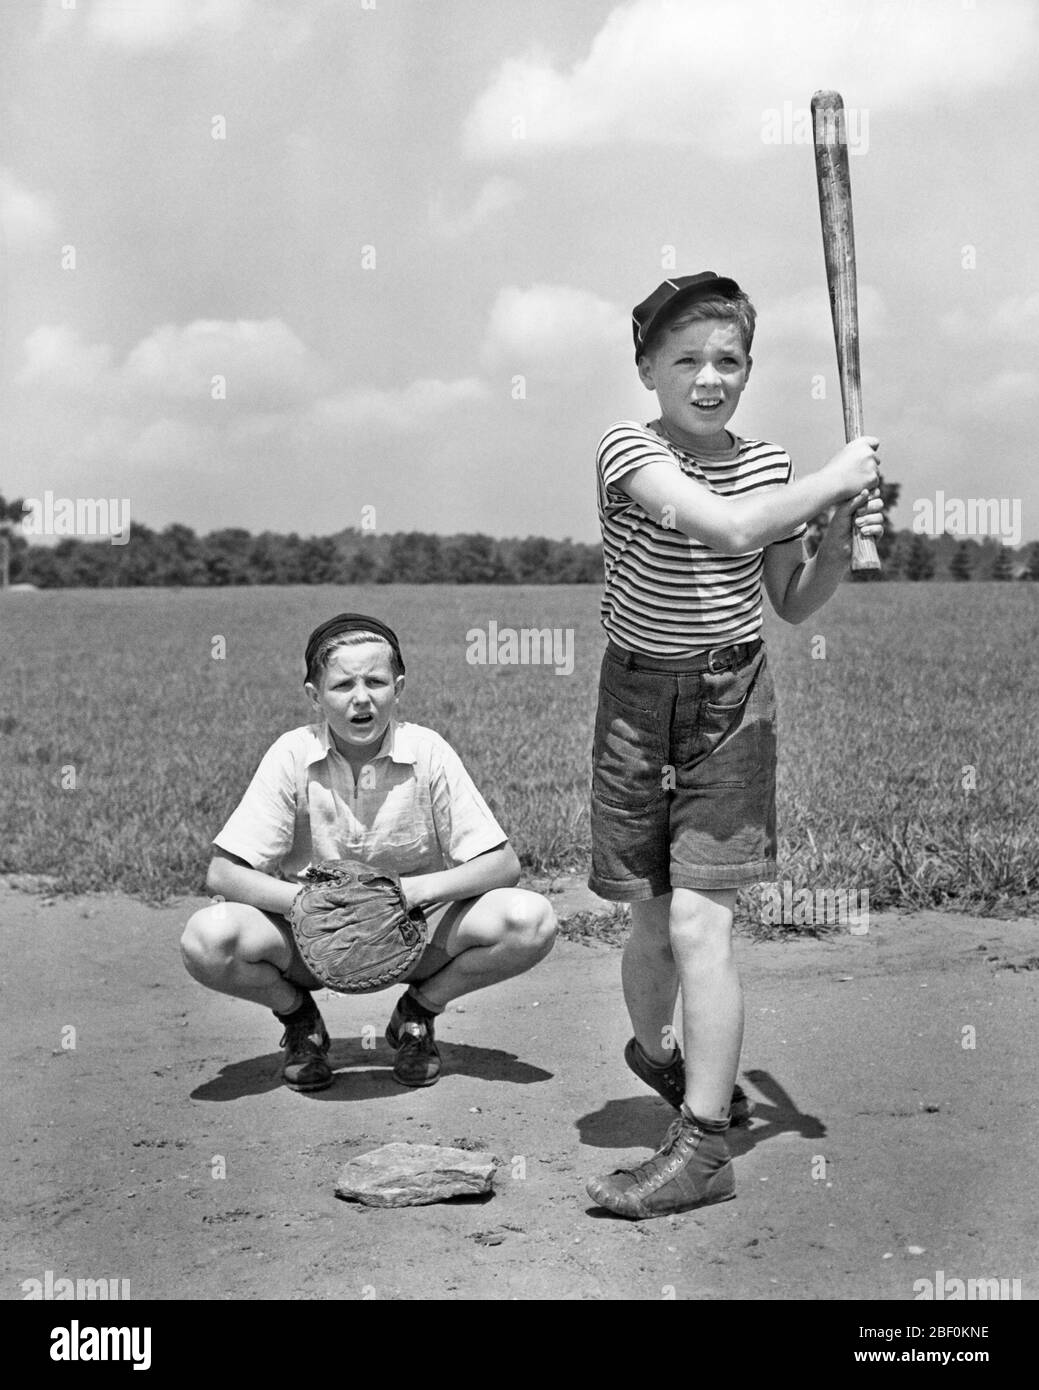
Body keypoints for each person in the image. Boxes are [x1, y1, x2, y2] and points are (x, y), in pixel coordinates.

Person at [585, 272, 883, 1218]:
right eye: (686, 360)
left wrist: (836, 531)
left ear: (748, 369)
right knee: (647, 920)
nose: (708, 378)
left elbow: (790, 601)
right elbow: (723, 528)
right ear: (646, 369)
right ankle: (662, 1058)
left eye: (728, 361)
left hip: (731, 697)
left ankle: (702, 1150)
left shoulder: (770, 464)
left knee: (697, 923)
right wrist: (830, 481)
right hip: (636, 703)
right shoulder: (627, 450)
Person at [181, 613, 557, 1092]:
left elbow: (503, 864)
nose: (361, 698)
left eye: (376, 681)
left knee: (532, 919)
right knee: (206, 938)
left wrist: (407, 893)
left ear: (398, 688)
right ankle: (300, 1022)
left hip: (414, 930)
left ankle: (418, 1014)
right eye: (342, 685)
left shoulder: (428, 751)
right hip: (310, 938)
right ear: (315, 696)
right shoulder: (291, 754)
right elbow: (224, 873)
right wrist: (310, 906)